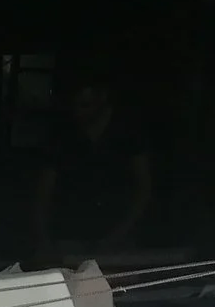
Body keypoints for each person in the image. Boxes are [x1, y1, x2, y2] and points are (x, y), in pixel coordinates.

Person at [32, 75, 153, 266]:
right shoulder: (62, 137)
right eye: (75, 105)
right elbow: (43, 192)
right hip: (69, 240)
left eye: (85, 104)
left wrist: (120, 233)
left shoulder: (129, 134)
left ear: (102, 98)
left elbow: (144, 187)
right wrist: (44, 241)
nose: (78, 112)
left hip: (119, 242)